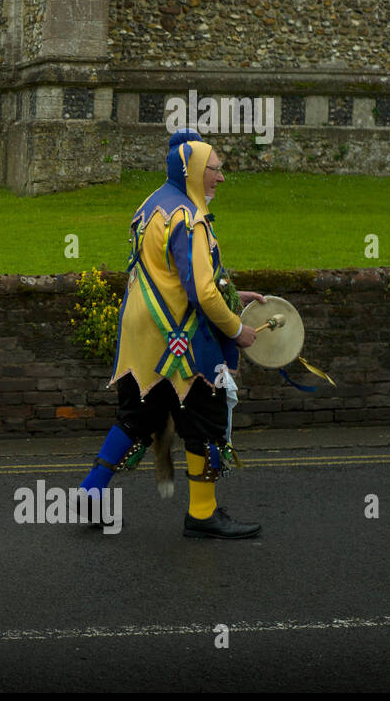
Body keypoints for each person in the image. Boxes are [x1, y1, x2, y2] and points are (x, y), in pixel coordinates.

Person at [78, 134, 263, 538]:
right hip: (182, 340)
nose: (221, 177)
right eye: (215, 169)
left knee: (138, 415)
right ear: (194, 171)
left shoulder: (150, 206)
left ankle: (90, 495)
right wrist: (236, 328)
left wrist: (234, 292)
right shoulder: (189, 218)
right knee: (206, 419)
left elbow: (173, 276)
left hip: (141, 336)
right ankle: (202, 514)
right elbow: (200, 291)